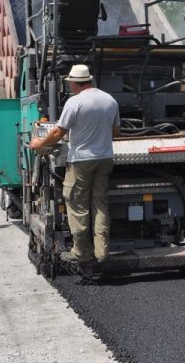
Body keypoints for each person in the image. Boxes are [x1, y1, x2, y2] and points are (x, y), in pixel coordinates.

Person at [29, 64, 121, 264]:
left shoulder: (75, 102)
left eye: (70, 82)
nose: (69, 85)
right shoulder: (110, 100)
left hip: (81, 161)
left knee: (78, 206)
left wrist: (39, 143)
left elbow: (57, 132)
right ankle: (102, 252)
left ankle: (81, 253)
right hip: (105, 159)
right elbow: (115, 132)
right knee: (100, 205)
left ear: (75, 83)